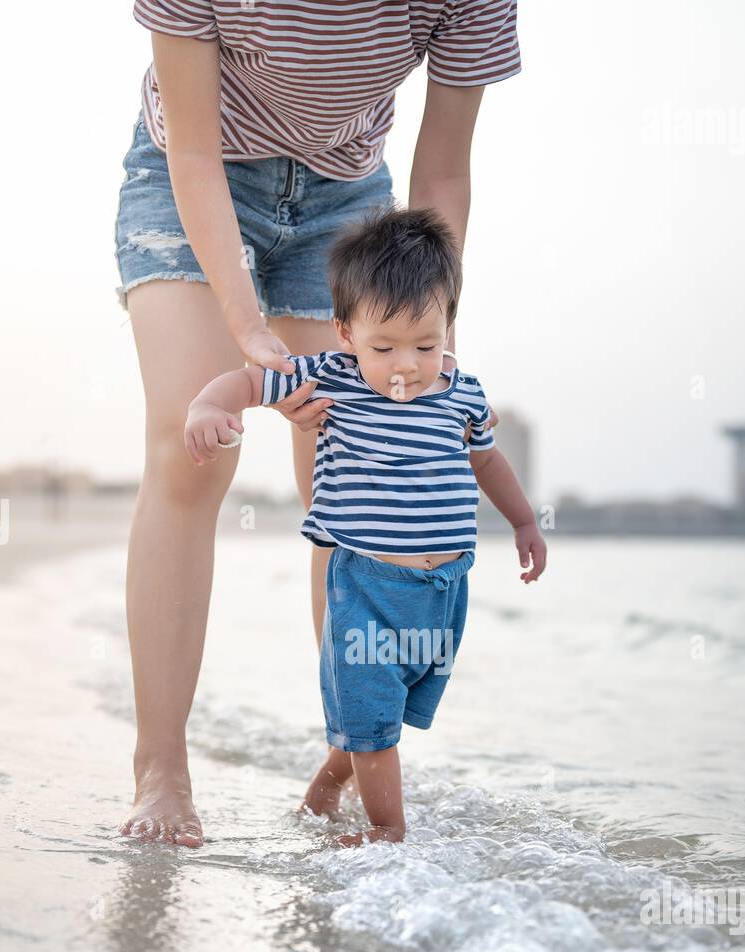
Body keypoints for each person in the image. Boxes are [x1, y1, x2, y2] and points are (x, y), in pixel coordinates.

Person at [115, 0, 522, 846]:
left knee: (350, 471)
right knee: (191, 452)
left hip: (349, 197)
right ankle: (161, 767)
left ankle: (349, 753)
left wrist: (431, 333)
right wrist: (249, 332)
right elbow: (192, 150)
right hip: (192, 171)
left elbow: (443, 172)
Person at [184, 207, 547, 845]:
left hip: (444, 594)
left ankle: (323, 794)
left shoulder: (463, 391)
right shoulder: (333, 376)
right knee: (374, 718)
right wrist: (207, 405)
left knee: (382, 720)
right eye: (384, 347)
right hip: (364, 589)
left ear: (447, 328)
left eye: (425, 345)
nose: (405, 365)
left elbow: (486, 457)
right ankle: (389, 840)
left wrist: (522, 521)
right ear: (347, 331)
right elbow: (249, 381)